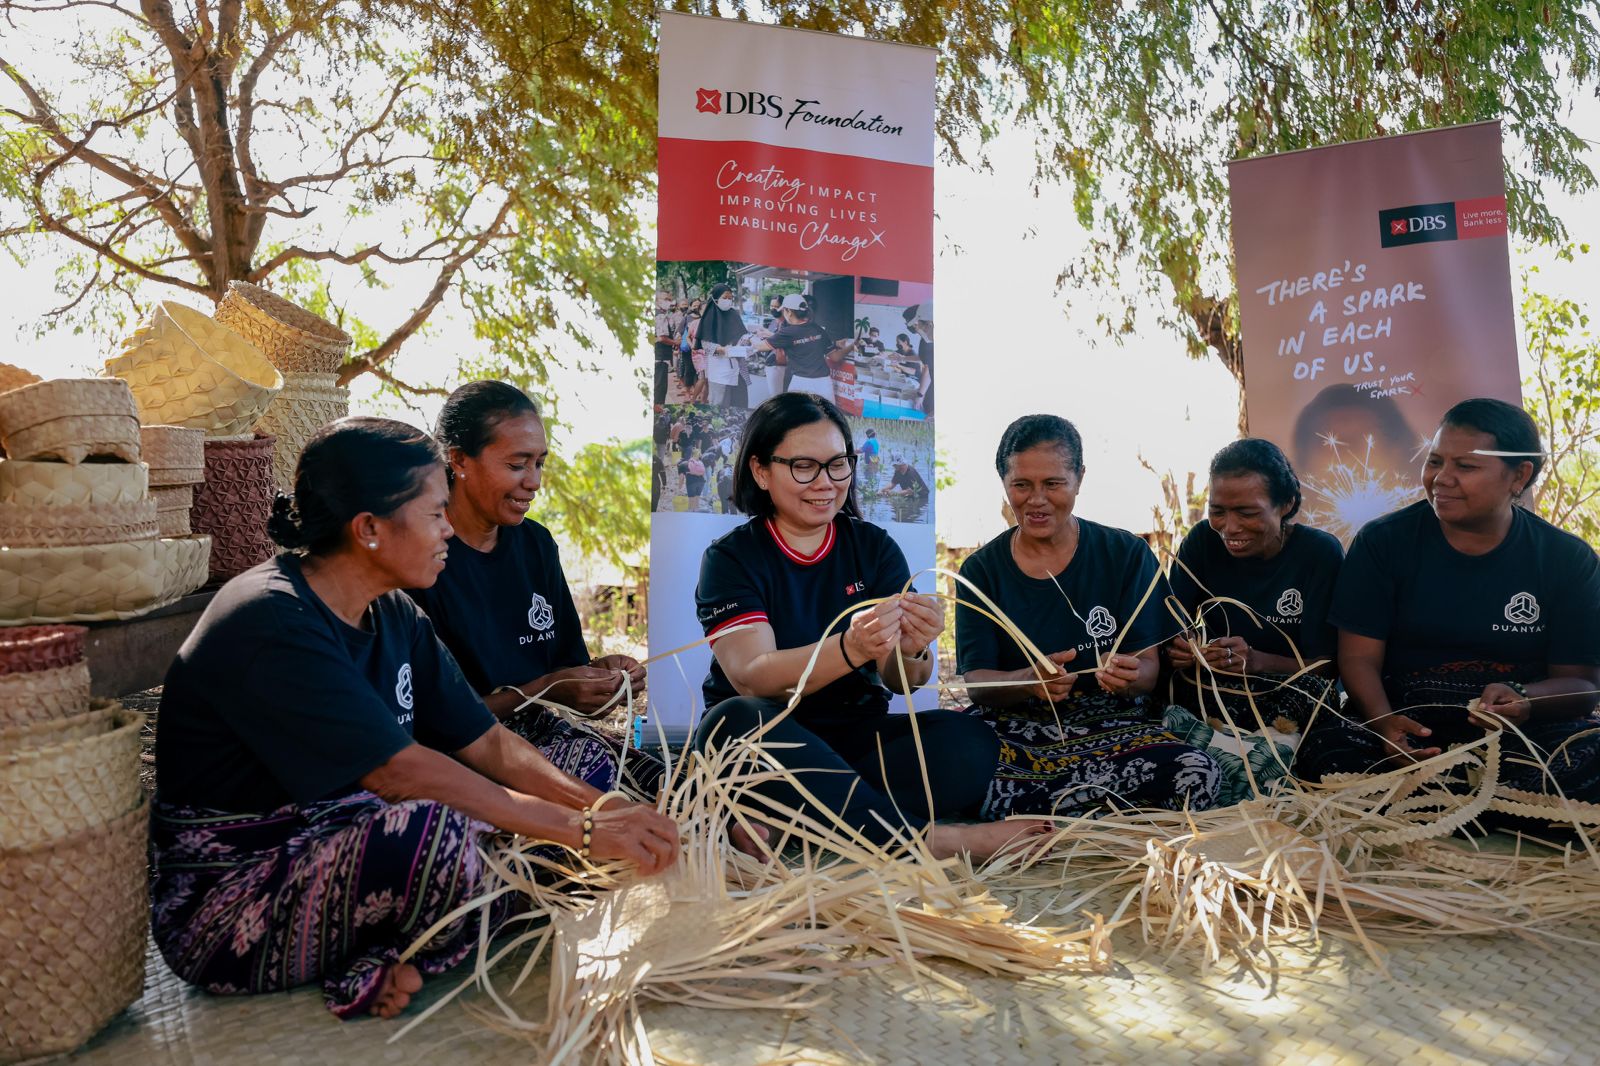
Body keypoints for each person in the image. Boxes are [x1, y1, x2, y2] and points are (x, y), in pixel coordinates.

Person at [150, 418, 679, 1022]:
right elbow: (399, 772)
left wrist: (598, 809)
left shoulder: (394, 612)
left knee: (573, 777)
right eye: (434, 514)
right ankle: (408, 944)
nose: (449, 529)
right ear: (370, 528)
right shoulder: (269, 618)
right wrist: (580, 834)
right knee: (446, 839)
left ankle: (392, 948)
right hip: (234, 896)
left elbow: (489, 745)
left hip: (349, 832)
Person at [693, 393, 1049, 859]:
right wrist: (851, 648)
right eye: (804, 466)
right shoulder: (732, 558)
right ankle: (935, 841)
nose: (825, 482)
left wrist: (915, 648)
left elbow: (904, 682)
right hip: (770, 738)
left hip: (858, 741)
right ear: (761, 471)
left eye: (838, 464)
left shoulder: (874, 548)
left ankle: (795, 819)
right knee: (730, 724)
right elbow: (752, 675)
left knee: (967, 742)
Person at [1296, 398, 1600, 800]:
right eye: (1435, 461)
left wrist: (1526, 699)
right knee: (1327, 756)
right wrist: (1385, 723)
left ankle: (1468, 802)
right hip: (1406, 717)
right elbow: (1358, 658)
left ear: (1519, 476)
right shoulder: (1382, 543)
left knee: (1586, 761)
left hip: (1520, 731)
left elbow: (1582, 687)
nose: (1441, 478)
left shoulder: (1566, 558)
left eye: (1466, 466)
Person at [956, 414, 1221, 817]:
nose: (1036, 499)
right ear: (1005, 484)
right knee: (943, 761)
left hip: (1114, 725)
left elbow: (1149, 671)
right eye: (1021, 485)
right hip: (1017, 729)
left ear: (1079, 478)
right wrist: (1029, 682)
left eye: (1053, 484)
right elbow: (978, 684)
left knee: (1194, 772)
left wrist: (1127, 679)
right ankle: (1092, 810)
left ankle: (1036, 813)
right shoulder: (981, 571)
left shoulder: (1126, 554)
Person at [411, 381, 666, 798]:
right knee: (600, 779)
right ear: (458, 460)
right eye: (517, 464)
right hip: (466, 755)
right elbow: (438, 720)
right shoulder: (419, 559)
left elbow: (566, 681)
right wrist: (545, 690)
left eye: (540, 463)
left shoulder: (535, 545)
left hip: (545, 736)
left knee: (675, 781)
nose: (535, 482)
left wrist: (606, 679)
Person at [1166, 438, 1343, 735]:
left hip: (1290, 694)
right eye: (1218, 511)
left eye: (1247, 513)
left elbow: (1325, 668)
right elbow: (1170, 625)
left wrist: (1257, 662)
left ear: (1285, 504)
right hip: (1218, 691)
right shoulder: (1201, 541)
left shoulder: (1319, 553)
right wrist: (1180, 648)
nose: (1230, 527)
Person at [753, 293, 854, 402]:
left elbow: (759, 346)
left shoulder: (787, 333)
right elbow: (835, 357)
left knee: (799, 418)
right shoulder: (818, 329)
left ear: (789, 312)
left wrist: (749, 337)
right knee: (827, 417)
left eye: (784, 310)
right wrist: (852, 346)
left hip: (801, 383)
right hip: (824, 383)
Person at [699, 282, 750, 408]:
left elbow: (742, 334)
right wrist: (725, 350)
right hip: (719, 369)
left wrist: (748, 341)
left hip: (737, 368)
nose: (728, 300)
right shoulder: (709, 317)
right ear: (715, 299)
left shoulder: (734, 314)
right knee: (720, 404)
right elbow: (706, 345)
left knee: (739, 403)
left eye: (730, 298)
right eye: (724, 297)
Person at [653, 290, 675, 407]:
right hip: (660, 358)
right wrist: (676, 342)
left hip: (658, 356)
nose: (668, 302)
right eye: (665, 299)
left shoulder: (656, 314)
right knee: (660, 389)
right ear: (657, 300)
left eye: (669, 300)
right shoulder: (660, 316)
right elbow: (662, 338)